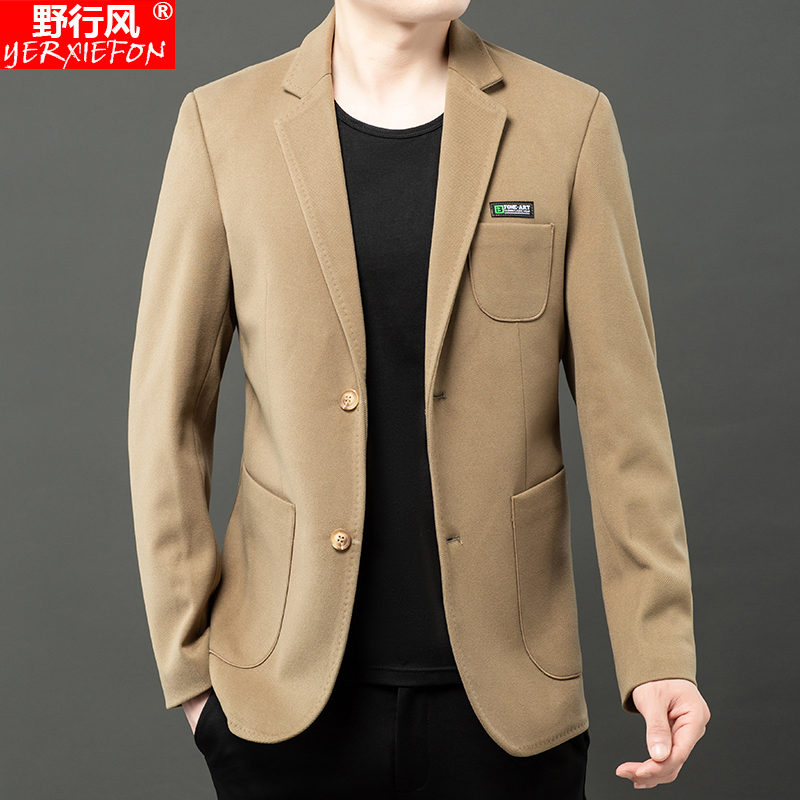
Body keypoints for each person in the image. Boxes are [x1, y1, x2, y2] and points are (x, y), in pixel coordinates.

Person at [127, 1, 710, 797]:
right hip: (283, 707)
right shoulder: (221, 125)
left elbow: (625, 421)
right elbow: (166, 415)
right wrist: (191, 672)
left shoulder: (568, 124)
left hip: (511, 708)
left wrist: (659, 654)